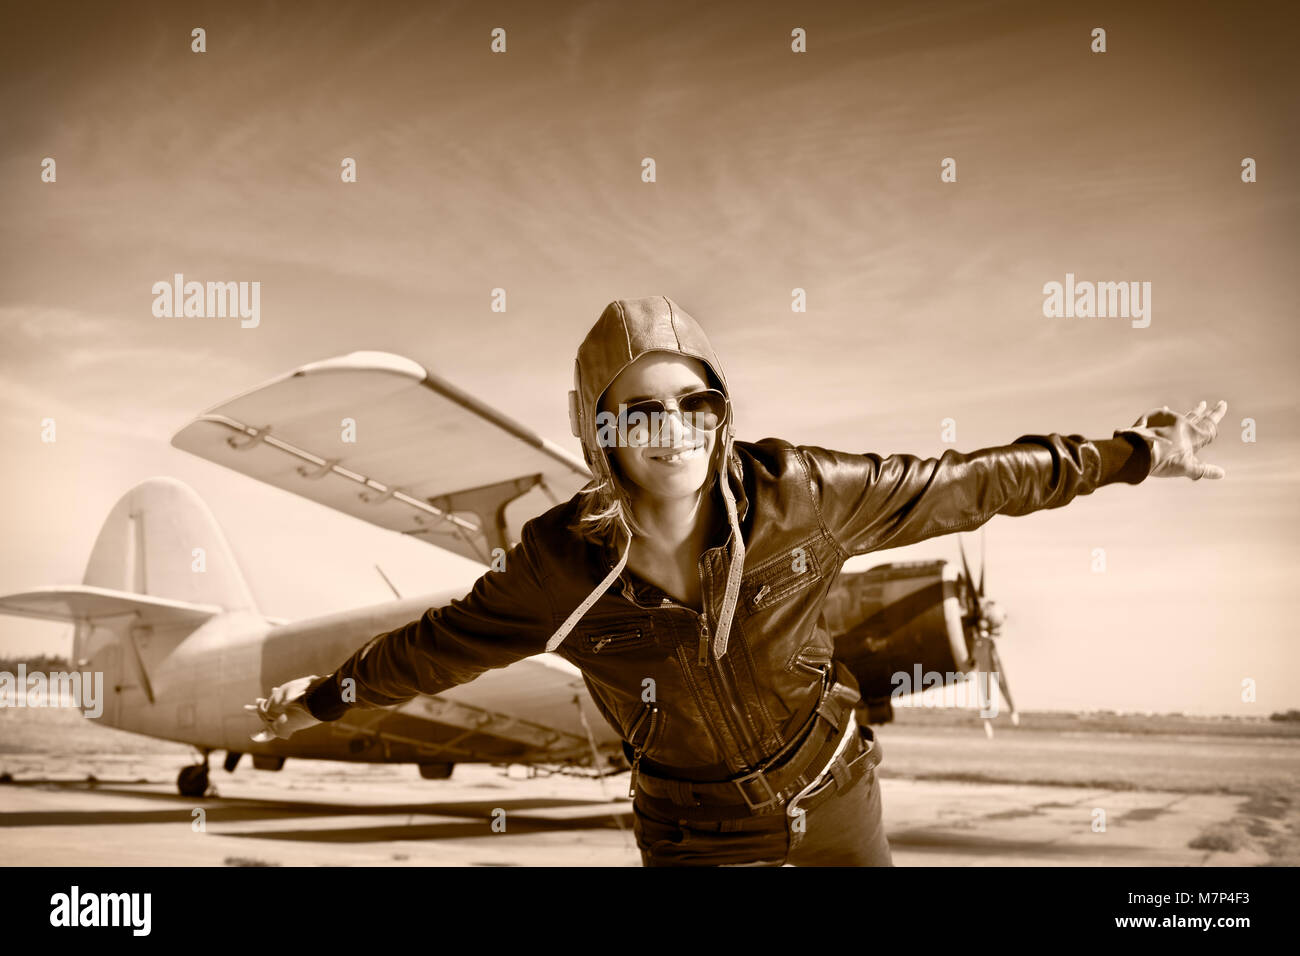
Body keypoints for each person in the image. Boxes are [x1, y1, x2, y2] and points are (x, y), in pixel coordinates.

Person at [247, 295, 1226, 866]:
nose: (672, 430)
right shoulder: (557, 563)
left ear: (721, 411)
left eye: (695, 403)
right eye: (638, 412)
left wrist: (1136, 450)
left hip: (834, 786)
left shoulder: (804, 490)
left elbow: (981, 479)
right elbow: (441, 644)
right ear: (597, 426)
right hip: (691, 830)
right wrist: (332, 693)